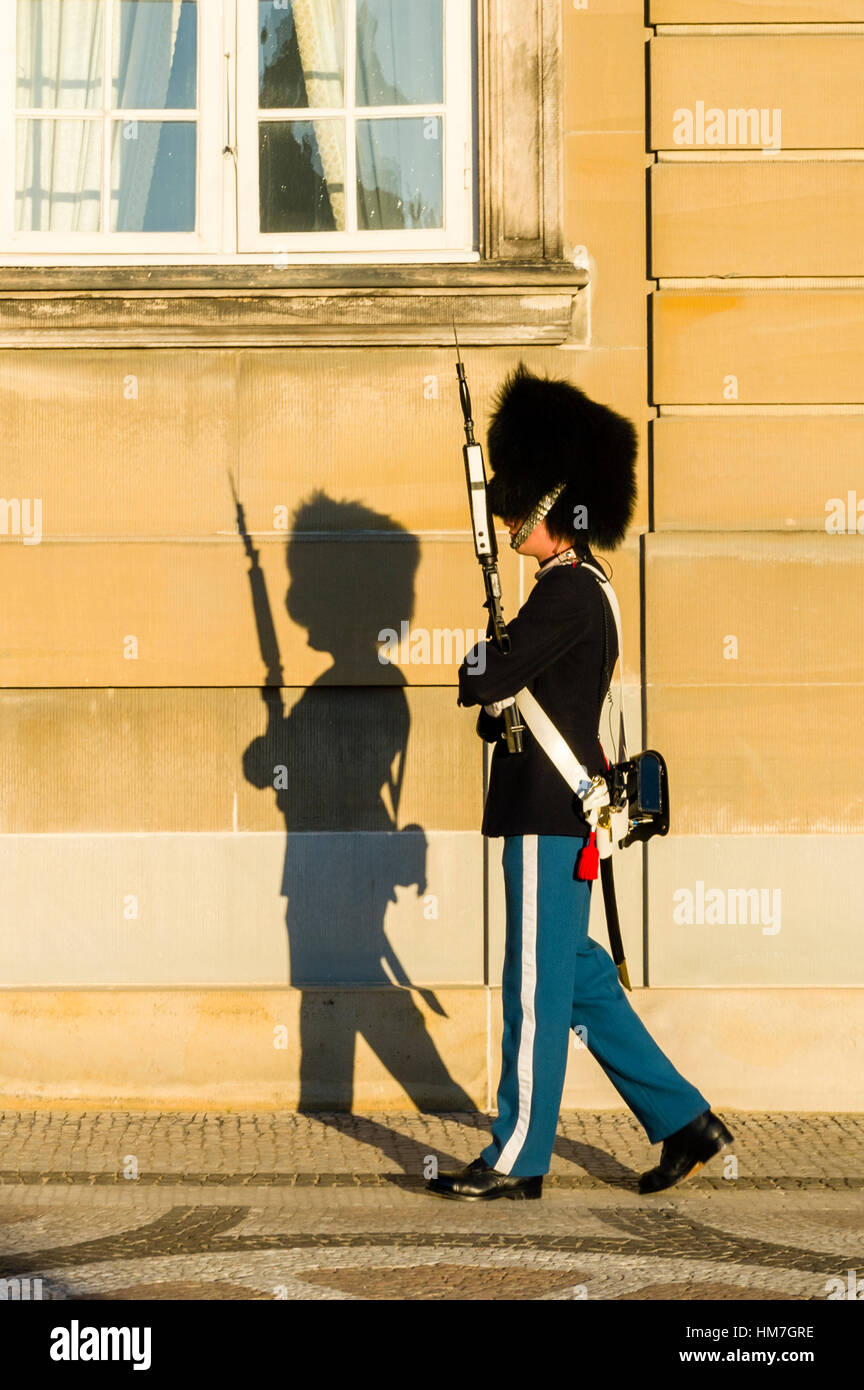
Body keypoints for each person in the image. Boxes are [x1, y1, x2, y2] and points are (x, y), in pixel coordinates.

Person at [425, 362, 733, 1200]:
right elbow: (528, 697)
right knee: (581, 982)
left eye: (521, 509)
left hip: (547, 815)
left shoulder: (564, 594)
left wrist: (478, 662)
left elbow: (488, 674)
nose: (510, 522)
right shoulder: (581, 590)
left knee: (532, 991)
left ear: (551, 510)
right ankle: (684, 1119)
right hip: (564, 809)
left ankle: (518, 1156)